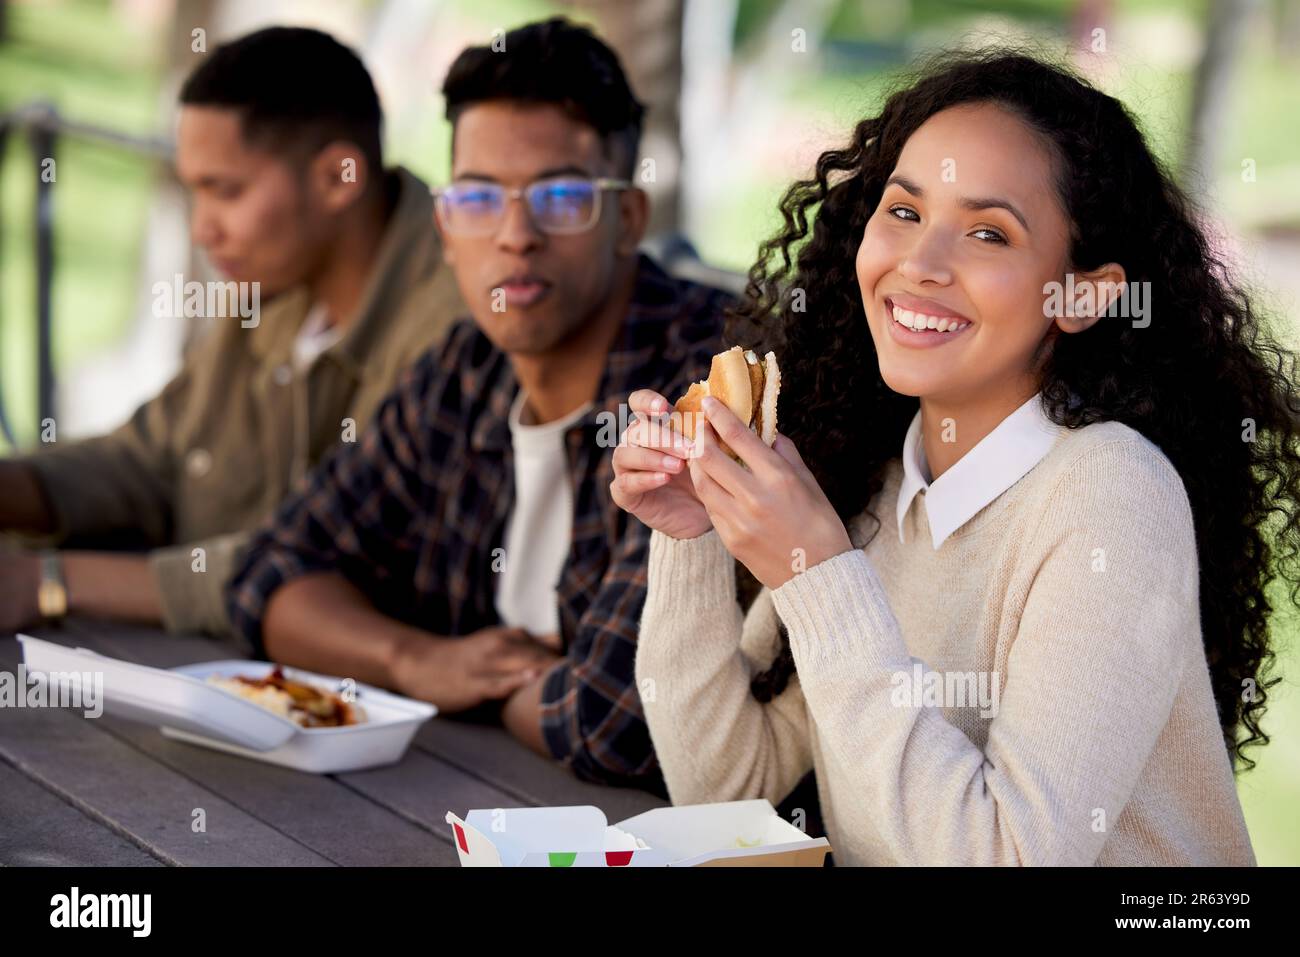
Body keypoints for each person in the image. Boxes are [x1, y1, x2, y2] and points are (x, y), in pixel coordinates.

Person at [614, 51, 1298, 863]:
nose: (922, 264)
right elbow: (728, 794)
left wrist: (817, 573)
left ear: (1082, 294)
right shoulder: (885, 480)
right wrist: (694, 532)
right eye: (903, 212)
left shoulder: (1112, 496)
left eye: (987, 232)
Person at [225, 18, 733, 792]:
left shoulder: (695, 384)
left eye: (562, 196)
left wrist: (482, 686)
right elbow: (272, 570)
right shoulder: (467, 370)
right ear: (446, 223)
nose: (515, 234)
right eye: (478, 197)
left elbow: (617, 720)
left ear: (628, 218)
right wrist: (416, 658)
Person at [0, 26, 464, 637]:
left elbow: (331, 561)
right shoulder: (275, 284)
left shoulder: (458, 320)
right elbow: (149, 460)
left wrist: (49, 583)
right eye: (195, 191)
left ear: (337, 178)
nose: (202, 229)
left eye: (227, 191)